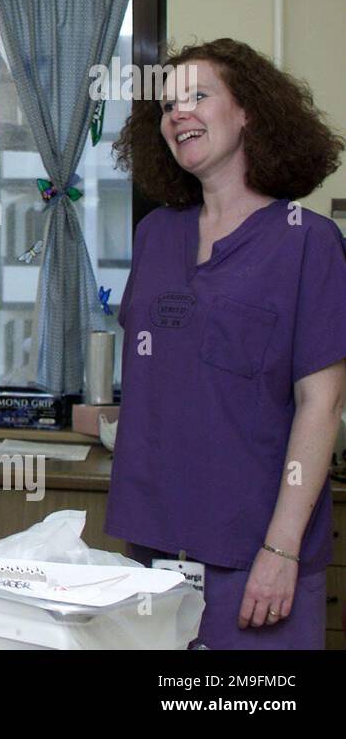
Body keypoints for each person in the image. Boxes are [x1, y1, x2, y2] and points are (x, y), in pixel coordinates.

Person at [107, 39, 346, 649]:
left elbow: (321, 404)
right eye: (166, 106)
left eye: (197, 96)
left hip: (255, 560)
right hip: (152, 555)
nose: (177, 113)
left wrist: (280, 550)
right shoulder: (156, 235)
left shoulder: (306, 243)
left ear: (248, 114)